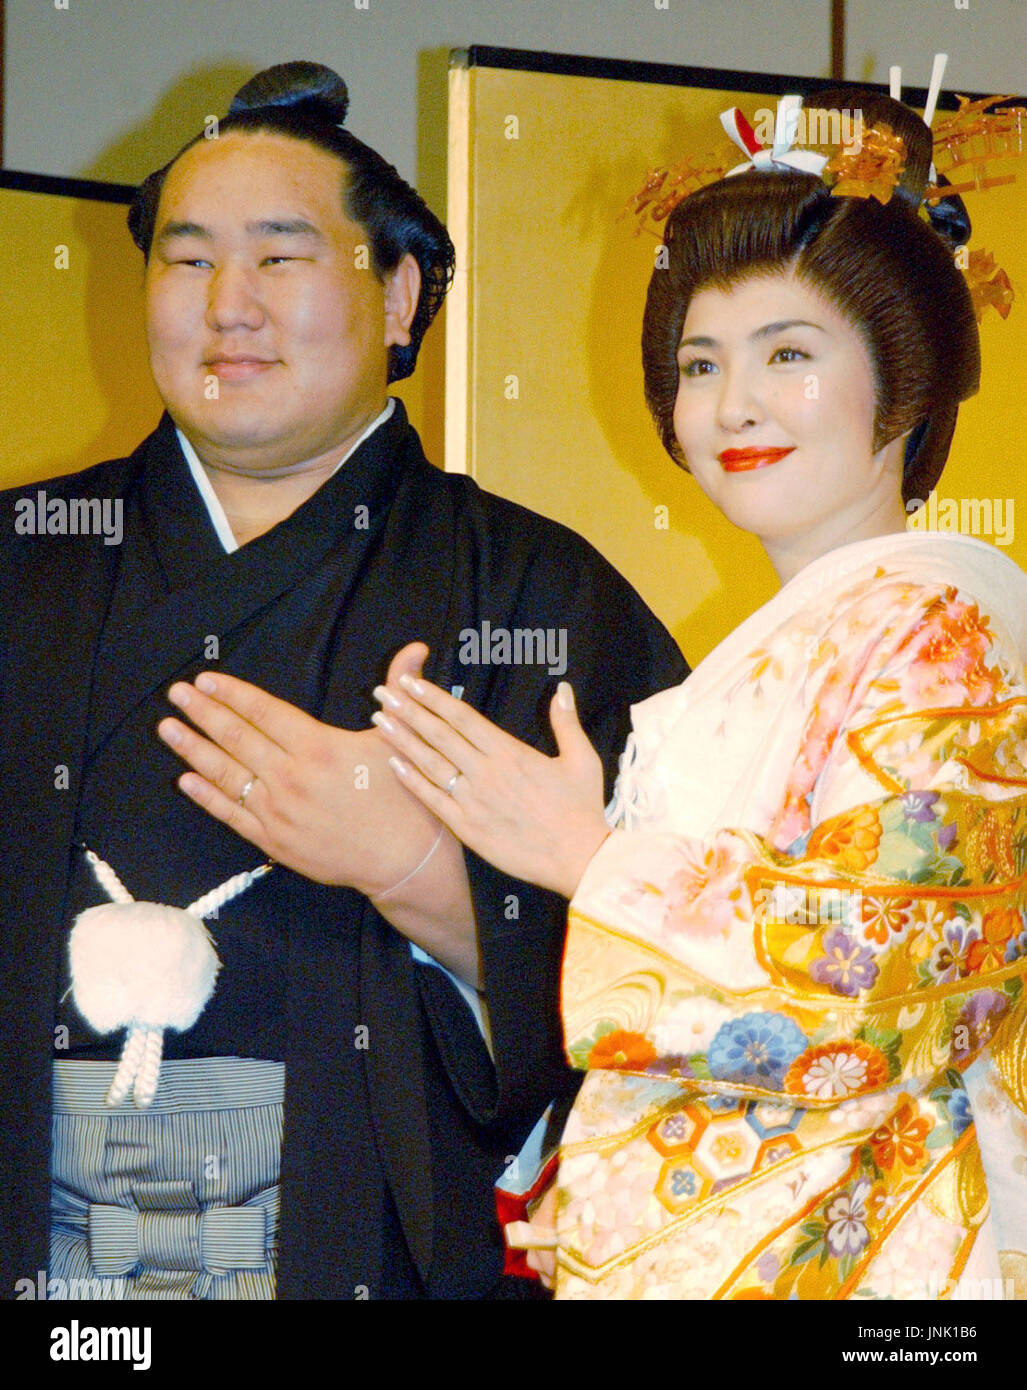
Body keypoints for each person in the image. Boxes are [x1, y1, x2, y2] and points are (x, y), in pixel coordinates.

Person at [0, 61, 686, 1301]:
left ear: (400, 291)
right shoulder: (23, 556)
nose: (228, 306)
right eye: (187, 258)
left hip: (363, 1239)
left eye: (279, 257)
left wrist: (418, 873)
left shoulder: (533, 591)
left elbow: (675, 966)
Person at [352, 87, 1027, 1298]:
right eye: (698, 363)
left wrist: (591, 860)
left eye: (788, 355)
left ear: (906, 379)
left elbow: (894, 983)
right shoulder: (801, 639)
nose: (731, 404)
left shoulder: (944, 628)